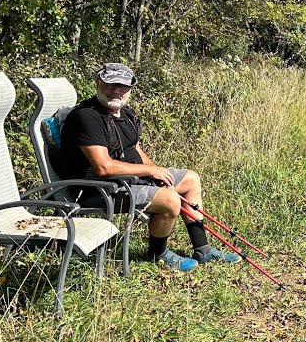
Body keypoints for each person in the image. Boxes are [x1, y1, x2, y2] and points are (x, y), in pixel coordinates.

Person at [52, 62, 240, 271]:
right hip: (98, 189)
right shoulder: (88, 117)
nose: (116, 90)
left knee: (190, 179)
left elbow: (136, 151)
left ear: (130, 89)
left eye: (122, 86)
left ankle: (203, 249)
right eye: (110, 84)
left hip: (127, 180)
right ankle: (158, 253)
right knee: (169, 200)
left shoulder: (126, 114)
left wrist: (158, 173)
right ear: (98, 83)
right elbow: (103, 168)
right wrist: (150, 172)